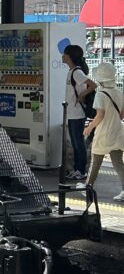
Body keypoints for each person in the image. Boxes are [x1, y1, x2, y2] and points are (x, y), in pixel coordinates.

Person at [83, 62, 124, 199]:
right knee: (118, 163)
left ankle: (88, 187)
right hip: (117, 132)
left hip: (103, 133)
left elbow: (100, 115)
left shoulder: (100, 95)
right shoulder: (119, 93)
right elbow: (122, 115)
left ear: (100, 79)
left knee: (95, 162)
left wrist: (89, 127)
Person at [62, 44, 96, 180]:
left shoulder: (77, 72)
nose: (63, 56)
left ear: (69, 57)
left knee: (78, 144)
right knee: (76, 143)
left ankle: (80, 171)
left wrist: (82, 95)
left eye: (65, 54)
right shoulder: (72, 71)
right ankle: (77, 169)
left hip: (77, 114)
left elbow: (93, 85)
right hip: (72, 113)